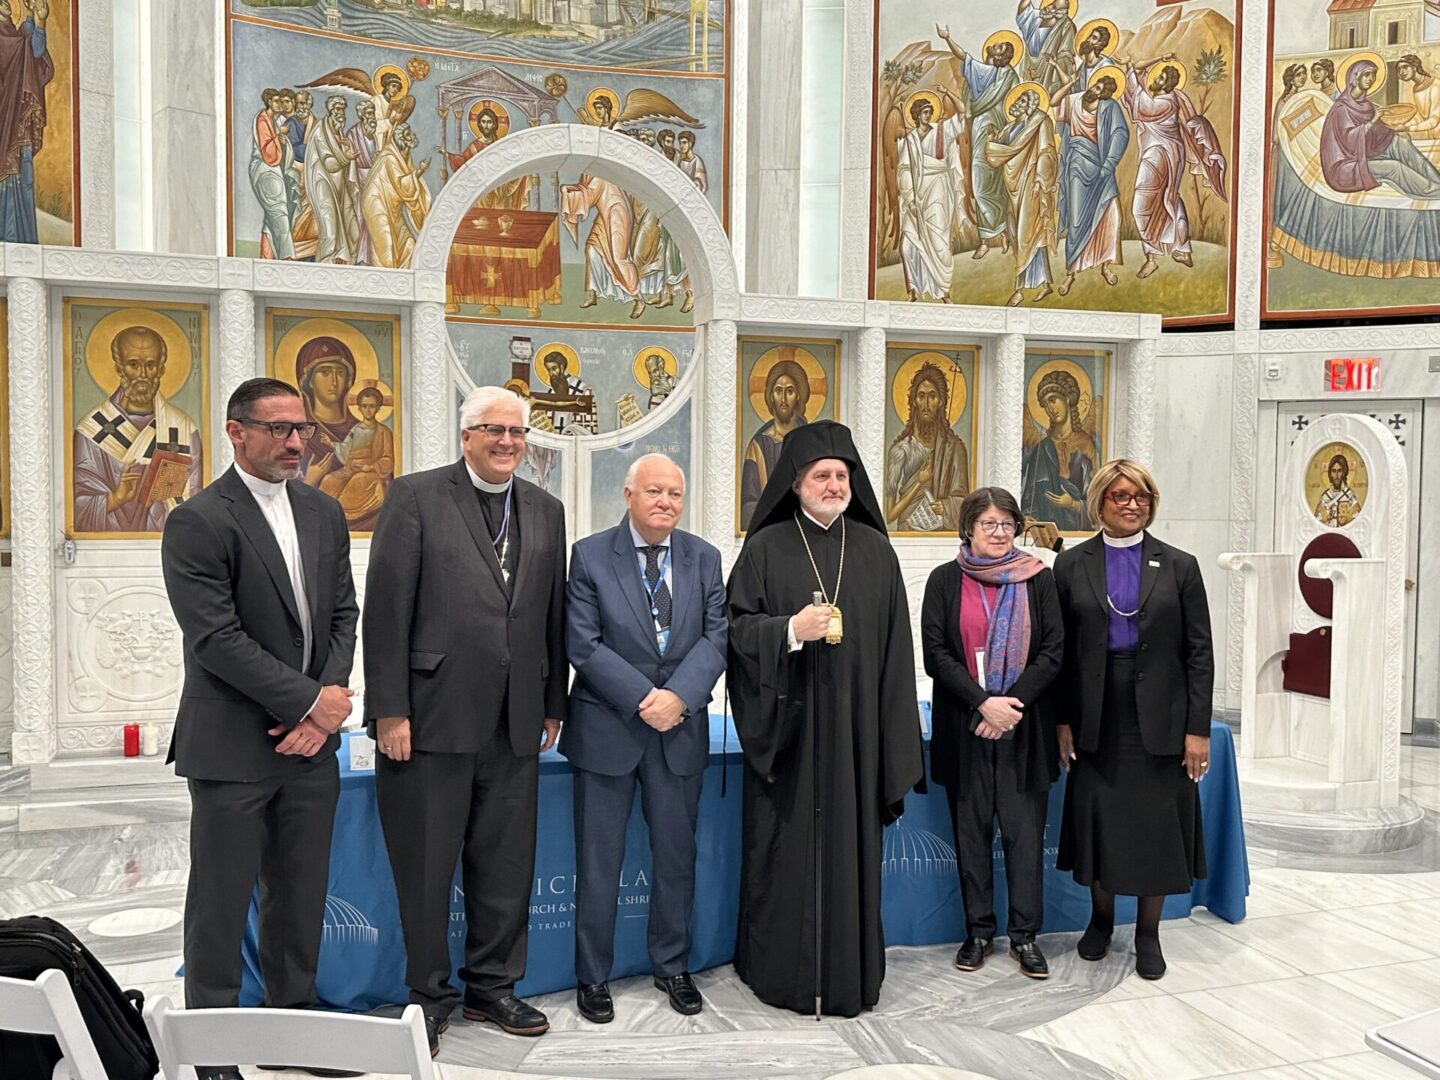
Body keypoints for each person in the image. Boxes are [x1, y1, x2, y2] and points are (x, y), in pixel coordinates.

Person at [161, 378, 358, 1080]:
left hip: (310, 747)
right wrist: (311, 704)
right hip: (232, 742)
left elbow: (343, 614)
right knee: (221, 901)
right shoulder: (198, 520)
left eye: (302, 428)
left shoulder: (324, 510)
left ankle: (291, 1030)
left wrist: (324, 707)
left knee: (300, 896)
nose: (295, 441)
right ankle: (211, 1046)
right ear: (236, 431)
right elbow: (216, 639)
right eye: (278, 428)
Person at [364, 386, 567, 1054]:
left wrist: (554, 702)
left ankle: (492, 987)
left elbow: (551, 612)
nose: (507, 442)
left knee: (506, 866)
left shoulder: (546, 508)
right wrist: (389, 709)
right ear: (466, 436)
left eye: (517, 432)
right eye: (493, 430)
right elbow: (386, 609)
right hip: (432, 717)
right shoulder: (416, 497)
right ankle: (427, 997)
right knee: (427, 868)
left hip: (516, 719)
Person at [726, 420, 924, 1018]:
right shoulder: (765, 548)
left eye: (842, 475)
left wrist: (892, 740)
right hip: (789, 736)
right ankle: (782, 976)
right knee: (786, 855)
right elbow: (735, 631)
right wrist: (789, 630)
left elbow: (897, 652)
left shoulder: (876, 551)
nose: (834, 485)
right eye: (822, 475)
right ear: (796, 483)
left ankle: (848, 977)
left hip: (857, 737)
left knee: (851, 856)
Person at [562, 454, 727, 1024]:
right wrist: (644, 698)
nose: (666, 502)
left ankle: (672, 966)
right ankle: (593, 976)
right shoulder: (589, 555)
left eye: (675, 493)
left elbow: (716, 637)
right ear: (628, 495)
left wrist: (678, 697)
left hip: (679, 730)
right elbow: (583, 644)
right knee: (599, 861)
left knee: (676, 858)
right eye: (654, 491)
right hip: (608, 731)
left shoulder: (705, 557)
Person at [1053, 459, 1214, 981]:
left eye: (1141, 496)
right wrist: (1061, 720)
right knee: (1101, 821)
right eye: (1120, 496)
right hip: (1096, 714)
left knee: (1154, 827)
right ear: (1099, 502)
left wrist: (1197, 729)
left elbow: (1200, 654)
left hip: (1162, 717)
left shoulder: (1181, 565)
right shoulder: (1071, 565)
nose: (1132, 504)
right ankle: (1100, 921)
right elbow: (1061, 654)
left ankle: (1148, 932)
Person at [922, 487, 1062, 979]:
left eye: (1007, 524)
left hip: (1025, 728)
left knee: (1025, 838)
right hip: (967, 727)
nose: (1000, 533)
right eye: (989, 524)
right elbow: (936, 653)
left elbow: (1053, 651)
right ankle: (978, 931)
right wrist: (983, 703)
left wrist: (1009, 706)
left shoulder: (1038, 579)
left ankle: (1025, 936)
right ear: (969, 528)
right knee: (971, 836)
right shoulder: (944, 580)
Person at [73, 325, 203, 534]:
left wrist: (162, 501)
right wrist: (116, 499)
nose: (142, 374)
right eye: (133, 364)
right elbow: (79, 506)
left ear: (161, 370)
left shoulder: (182, 428)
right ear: (119, 369)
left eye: (150, 365)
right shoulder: (92, 429)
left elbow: (197, 502)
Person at [937, 25, 1019, 260]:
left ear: (1005, 55)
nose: (995, 46)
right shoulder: (983, 72)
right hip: (981, 131)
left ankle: (1004, 234)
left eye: (1001, 47)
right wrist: (948, 38)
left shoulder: (1010, 76)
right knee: (980, 185)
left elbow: (1016, 104)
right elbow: (964, 56)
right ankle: (985, 239)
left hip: (1001, 134)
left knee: (1001, 184)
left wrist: (1007, 131)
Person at [1122, 57, 1199, 278]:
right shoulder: (1159, 98)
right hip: (1159, 154)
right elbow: (1138, 75)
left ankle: (1157, 255)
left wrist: (1129, 71)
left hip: (1161, 155)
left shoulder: (1165, 102)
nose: (1155, 79)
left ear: (1167, 85)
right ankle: (1177, 250)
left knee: (1143, 206)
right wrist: (1159, 58)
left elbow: (1140, 105)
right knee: (1168, 200)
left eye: (1161, 77)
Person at [1054, 72, 1130, 294]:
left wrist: (1109, 163)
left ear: (1105, 95)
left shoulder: (1110, 107)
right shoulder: (1075, 100)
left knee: (1110, 214)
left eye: (1100, 89)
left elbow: (1120, 134)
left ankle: (1105, 265)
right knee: (1077, 219)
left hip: (1102, 165)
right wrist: (1068, 83)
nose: (1094, 89)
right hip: (1078, 164)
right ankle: (1071, 272)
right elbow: (1054, 104)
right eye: (1096, 85)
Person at [1321, 60, 1440, 199]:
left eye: (1373, 75)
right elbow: (1349, 141)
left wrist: (1395, 132)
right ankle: (1433, 191)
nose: (1371, 79)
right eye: (1367, 75)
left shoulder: (1366, 105)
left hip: (1364, 153)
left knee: (1401, 143)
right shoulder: (1341, 109)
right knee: (1394, 167)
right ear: (1355, 77)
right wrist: (1372, 121)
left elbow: (1377, 133)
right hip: (1346, 166)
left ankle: (1437, 181)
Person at [985, 87, 1059, 306]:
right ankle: (1044, 283)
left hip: (1032, 182)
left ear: (1031, 106)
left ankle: (1019, 290)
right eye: (1018, 99)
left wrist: (1041, 179)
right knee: (1017, 234)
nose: (1018, 103)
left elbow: (1047, 151)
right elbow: (997, 155)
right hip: (1014, 188)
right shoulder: (1010, 128)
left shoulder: (1041, 122)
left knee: (1027, 233)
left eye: (1023, 101)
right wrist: (991, 140)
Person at [895, 89, 966, 303]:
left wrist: (948, 93)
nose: (928, 115)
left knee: (938, 241)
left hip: (938, 191)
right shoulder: (910, 140)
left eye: (929, 111)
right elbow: (904, 170)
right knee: (908, 244)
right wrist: (909, 199)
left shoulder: (942, 132)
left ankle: (943, 291)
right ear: (917, 115)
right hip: (916, 194)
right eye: (924, 112)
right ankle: (912, 290)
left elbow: (962, 112)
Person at [885, 361, 970, 531]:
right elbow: (889, 515)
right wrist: (919, 482)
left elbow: (966, 502)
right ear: (914, 401)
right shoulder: (901, 450)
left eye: (932, 396)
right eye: (921, 396)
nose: (926, 404)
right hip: (908, 532)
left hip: (942, 533)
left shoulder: (954, 448)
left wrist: (946, 507)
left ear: (941, 402)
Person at [0, 0, 54, 244]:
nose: (7, 4)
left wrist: (38, 18)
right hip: (5, 114)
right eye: (2, 2)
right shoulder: (9, 38)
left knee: (24, 169)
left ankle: (23, 236)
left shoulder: (18, 34)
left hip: (19, 114)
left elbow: (36, 52)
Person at [1021, 368, 1098, 532]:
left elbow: (1095, 500)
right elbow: (1030, 497)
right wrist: (1027, 517)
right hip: (1045, 533)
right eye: (1045, 404)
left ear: (1067, 399)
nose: (1050, 408)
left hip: (1077, 534)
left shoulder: (1085, 445)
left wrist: (1073, 504)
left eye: (1053, 400)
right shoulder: (1042, 448)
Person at [561, 173, 646, 320]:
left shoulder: (598, 172)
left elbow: (589, 196)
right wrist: (568, 188)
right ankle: (592, 294)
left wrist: (567, 191)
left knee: (618, 260)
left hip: (617, 215)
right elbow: (584, 189)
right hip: (605, 214)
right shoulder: (588, 172)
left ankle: (639, 299)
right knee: (592, 249)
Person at [739, 357, 809, 531]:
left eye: (790, 391)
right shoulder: (758, 446)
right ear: (771, 396)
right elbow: (748, 502)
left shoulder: (810, 441)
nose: (783, 399)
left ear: (798, 395)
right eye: (778, 391)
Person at [319, 384, 395, 529]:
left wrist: (371, 466)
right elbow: (346, 448)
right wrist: (331, 444)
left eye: (372, 406)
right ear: (359, 408)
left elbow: (388, 460)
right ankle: (324, 514)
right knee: (329, 480)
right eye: (364, 406)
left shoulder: (384, 432)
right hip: (350, 468)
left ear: (378, 408)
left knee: (357, 481)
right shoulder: (355, 429)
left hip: (369, 472)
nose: (368, 410)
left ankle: (339, 516)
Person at [361, 121, 431, 269]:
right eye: (408, 134)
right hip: (377, 204)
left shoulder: (404, 158)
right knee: (387, 247)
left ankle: (403, 278)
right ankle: (383, 279)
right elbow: (402, 185)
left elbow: (405, 190)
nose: (412, 136)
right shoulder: (390, 158)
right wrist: (419, 171)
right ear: (401, 140)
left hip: (393, 209)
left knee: (409, 245)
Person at [294, 336, 358, 493]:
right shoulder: (297, 432)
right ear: (309, 380)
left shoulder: (363, 430)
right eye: (325, 372)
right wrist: (308, 482)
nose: (334, 381)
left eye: (340, 373)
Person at [305, 95, 361, 265]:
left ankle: (346, 262)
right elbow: (329, 164)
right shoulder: (320, 131)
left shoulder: (339, 132)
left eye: (342, 109)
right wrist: (347, 157)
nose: (340, 113)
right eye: (337, 109)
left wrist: (348, 153)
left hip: (340, 185)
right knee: (330, 230)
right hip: (323, 184)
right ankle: (325, 263)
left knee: (353, 230)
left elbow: (343, 161)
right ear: (330, 111)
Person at [250, 87, 298, 260]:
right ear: (269, 102)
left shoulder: (274, 120)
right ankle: (288, 258)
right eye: (276, 101)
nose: (280, 104)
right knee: (279, 213)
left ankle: (267, 257)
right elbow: (268, 154)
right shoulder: (263, 120)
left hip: (273, 170)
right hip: (266, 171)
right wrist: (279, 136)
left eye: (281, 101)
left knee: (272, 219)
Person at [1016, 0, 1077, 98]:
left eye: (1054, 7)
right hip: (1029, 69)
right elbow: (1023, 10)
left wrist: (1055, 64)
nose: (1048, 7)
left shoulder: (1066, 26)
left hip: (1048, 71)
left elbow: (1066, 54)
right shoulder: (1036, 18)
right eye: (1051, 3)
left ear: (1059, 13)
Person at [1398, 55, 1440, 137]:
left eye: (1405, 67)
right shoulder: (1416, 88)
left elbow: (1435, 119)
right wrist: (1403, 125)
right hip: (1432, 135)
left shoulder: (1435, 86)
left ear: (1414, 67)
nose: (1401, 72)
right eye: (1399, 69)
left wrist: (1408, 128)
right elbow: (1420, 117)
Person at [1314, 452, 1360, 528]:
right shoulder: (1325, 497)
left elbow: (1358, 520)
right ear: (1330, 473)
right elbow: (1316, 522)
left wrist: (1347, 519)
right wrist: (1325, 519)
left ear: (1344, 473)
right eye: (1334, 471)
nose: (1336, 475)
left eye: (1339, 471)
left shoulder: (1349, 495)